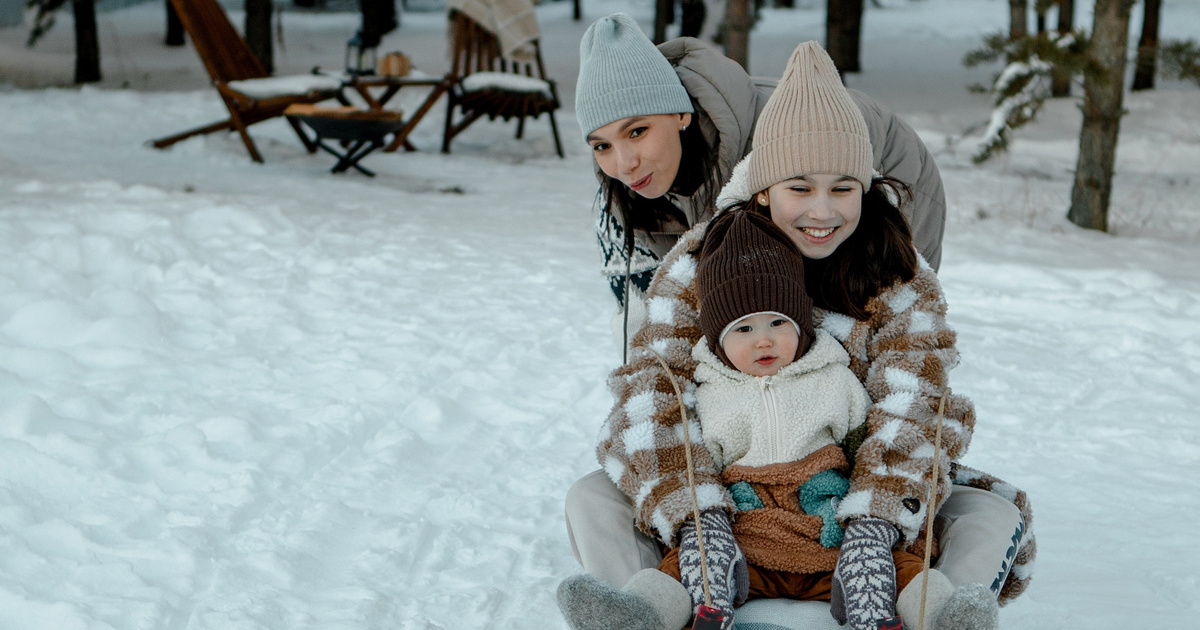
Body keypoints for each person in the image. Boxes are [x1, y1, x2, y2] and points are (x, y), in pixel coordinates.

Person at [560, 36, 1036, 630]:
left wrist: (872, 524)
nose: (822, 211)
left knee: (986, 515)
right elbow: (652, 394)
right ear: (763, 188)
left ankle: (928, 615)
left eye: (843, 189)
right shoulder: (699, 262)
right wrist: (697, 514)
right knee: (593, 496)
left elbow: (918, 408)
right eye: (799, 189)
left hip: (857, 499)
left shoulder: (897, 276)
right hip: (733, 503)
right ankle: (657, 612)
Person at [573, 12, 946, 353]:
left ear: (680, 114)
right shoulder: (626, 197)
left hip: (888, 189)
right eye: (602, 146)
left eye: (637, 131)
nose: (624, 163)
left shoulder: (767, 145)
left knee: (839, 344)